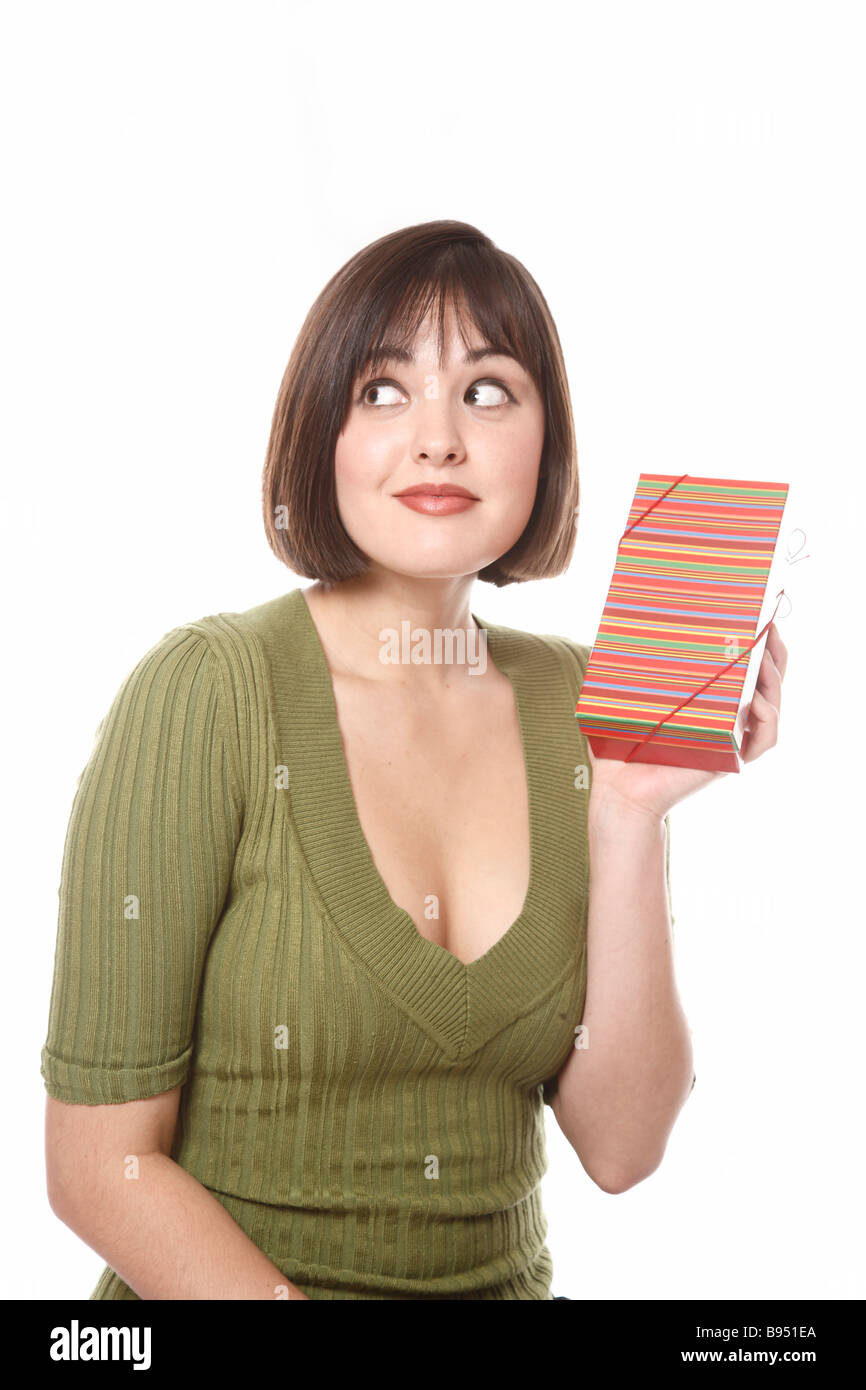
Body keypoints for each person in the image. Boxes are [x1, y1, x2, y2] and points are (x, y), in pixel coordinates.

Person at [41, 220, 787, 1300]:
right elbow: (98, 1167)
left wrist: (629, 810)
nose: (437, 439)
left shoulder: (584, 706)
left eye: (487, 391)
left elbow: (621, 1150)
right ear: (320, 435)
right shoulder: (206, 693)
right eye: (383, 391)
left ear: (546, 441)